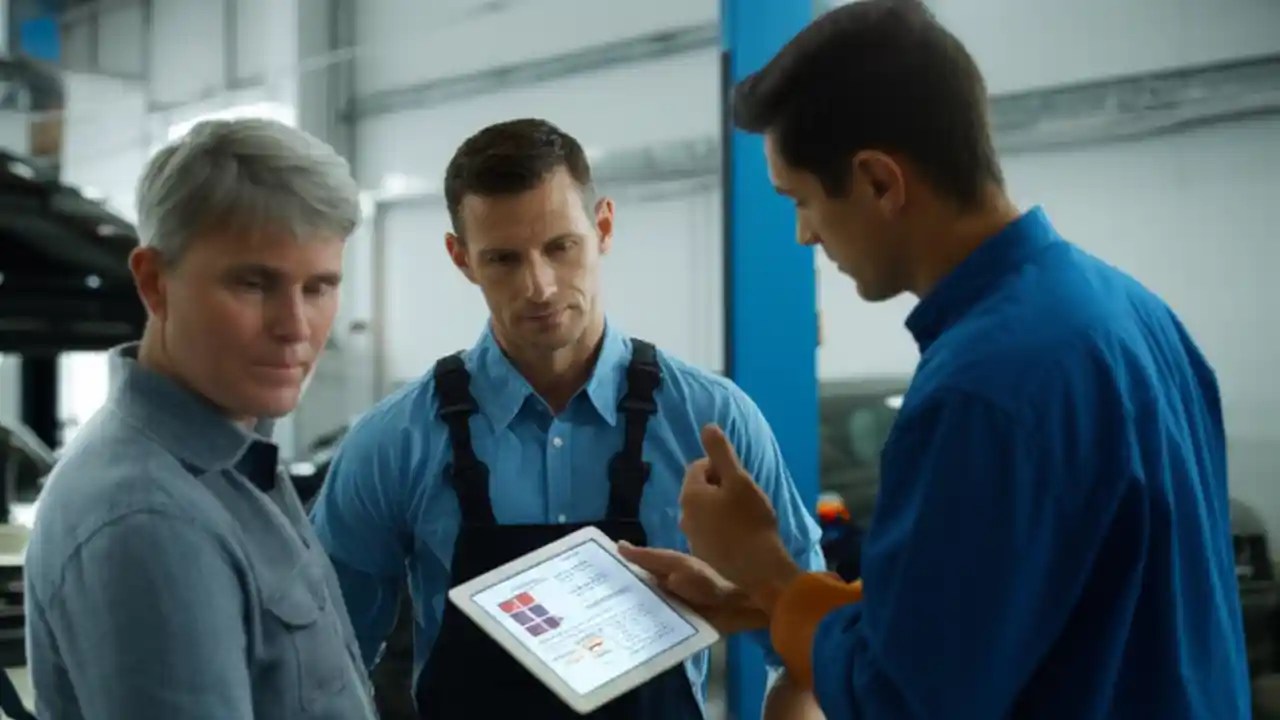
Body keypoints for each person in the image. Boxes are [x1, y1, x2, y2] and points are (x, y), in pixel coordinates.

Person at [620, 2, 1252, 718]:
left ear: (879, 182)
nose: (803, 236)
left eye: (802, 202)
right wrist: (759, 604)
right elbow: (997, 617)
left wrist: (762, 564)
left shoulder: (983, 388)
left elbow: (901, 699)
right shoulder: (1132, 313)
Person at [309, 118, 826, 719]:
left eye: (560, 247)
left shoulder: (712, 423)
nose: (540, 286)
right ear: (462, 258)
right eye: (504, 259)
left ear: (603, 227)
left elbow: (807, 650)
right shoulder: (395, 443)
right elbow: (319, 665)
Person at [23, 118, 378, 720]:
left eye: (318, 288)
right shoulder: (151, 519)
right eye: (254, 284)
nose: (295, 327)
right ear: (154, 283)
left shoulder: (234, 457)